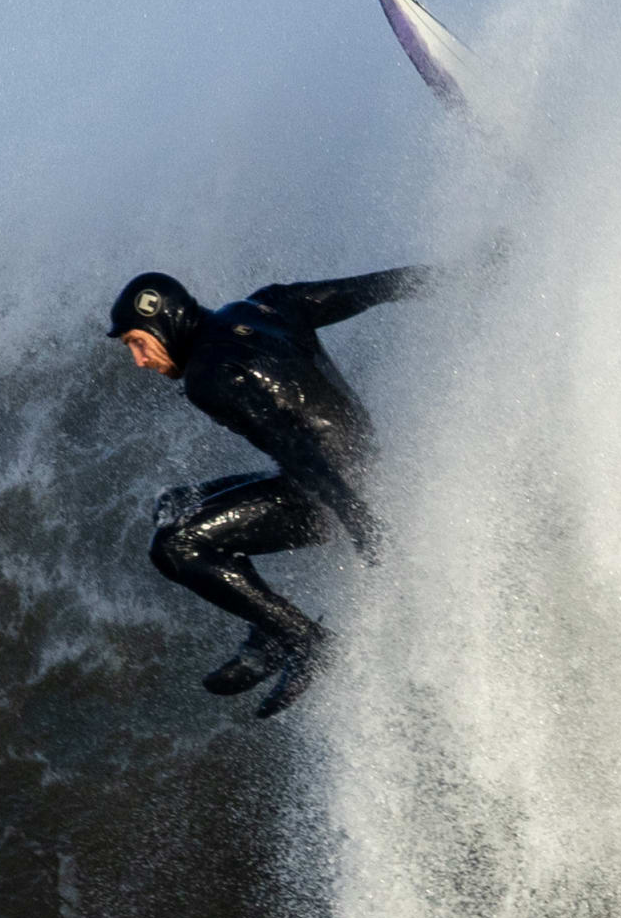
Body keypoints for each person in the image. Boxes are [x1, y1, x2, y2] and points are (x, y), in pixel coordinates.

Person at [107, 260, 431, 714]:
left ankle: (308, 642)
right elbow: (364, 290)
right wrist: (451, 275)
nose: (140, 361)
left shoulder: (210, 377)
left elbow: (294, 443)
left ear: (167, 322)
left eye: (139, 343)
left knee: (176, 546)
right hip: (353, 470)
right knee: (174, 503)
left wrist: (352, 512)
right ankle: (270, 627)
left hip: (328, 491)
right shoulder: (264, 305)